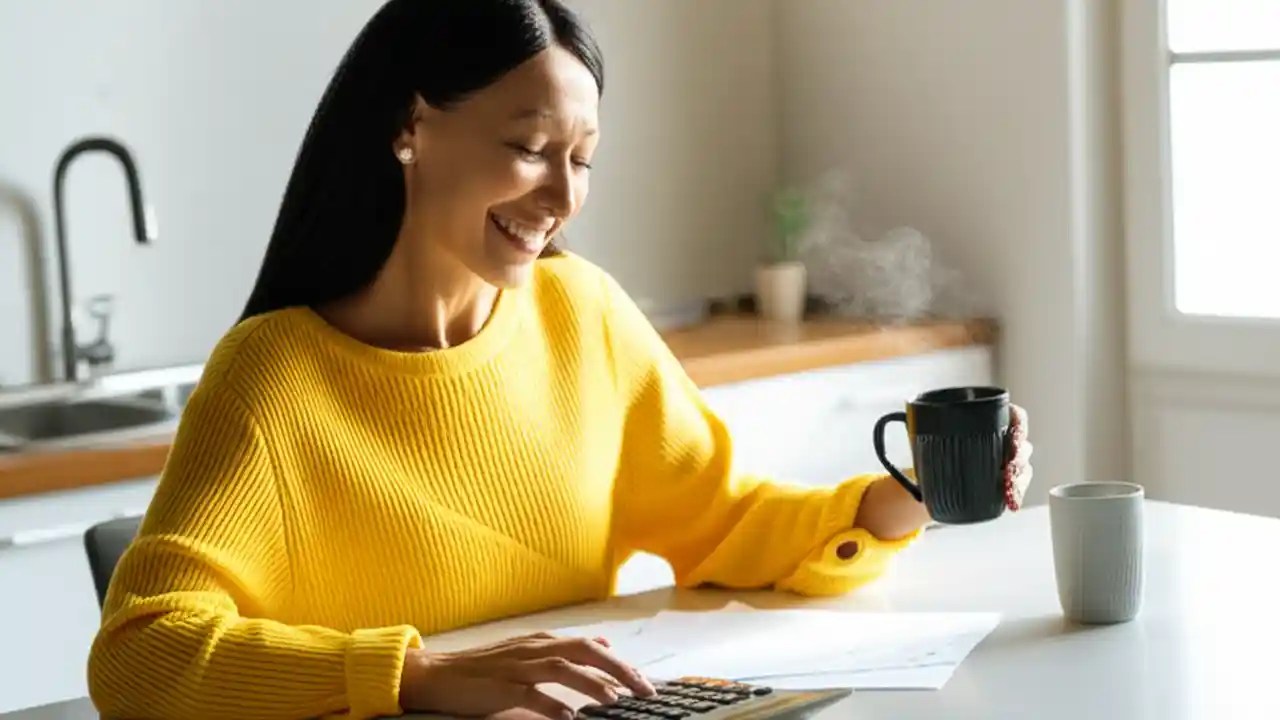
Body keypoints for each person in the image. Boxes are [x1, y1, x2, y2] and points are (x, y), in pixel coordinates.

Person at [86, 1, 1034, 719]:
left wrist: (903, 495)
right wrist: (418, 676)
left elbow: (725, 521)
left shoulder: (581, 314)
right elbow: (138, 655)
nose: (562, 195)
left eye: (582, 159)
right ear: (410, 127)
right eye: (530, 147)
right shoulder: (273, 380)